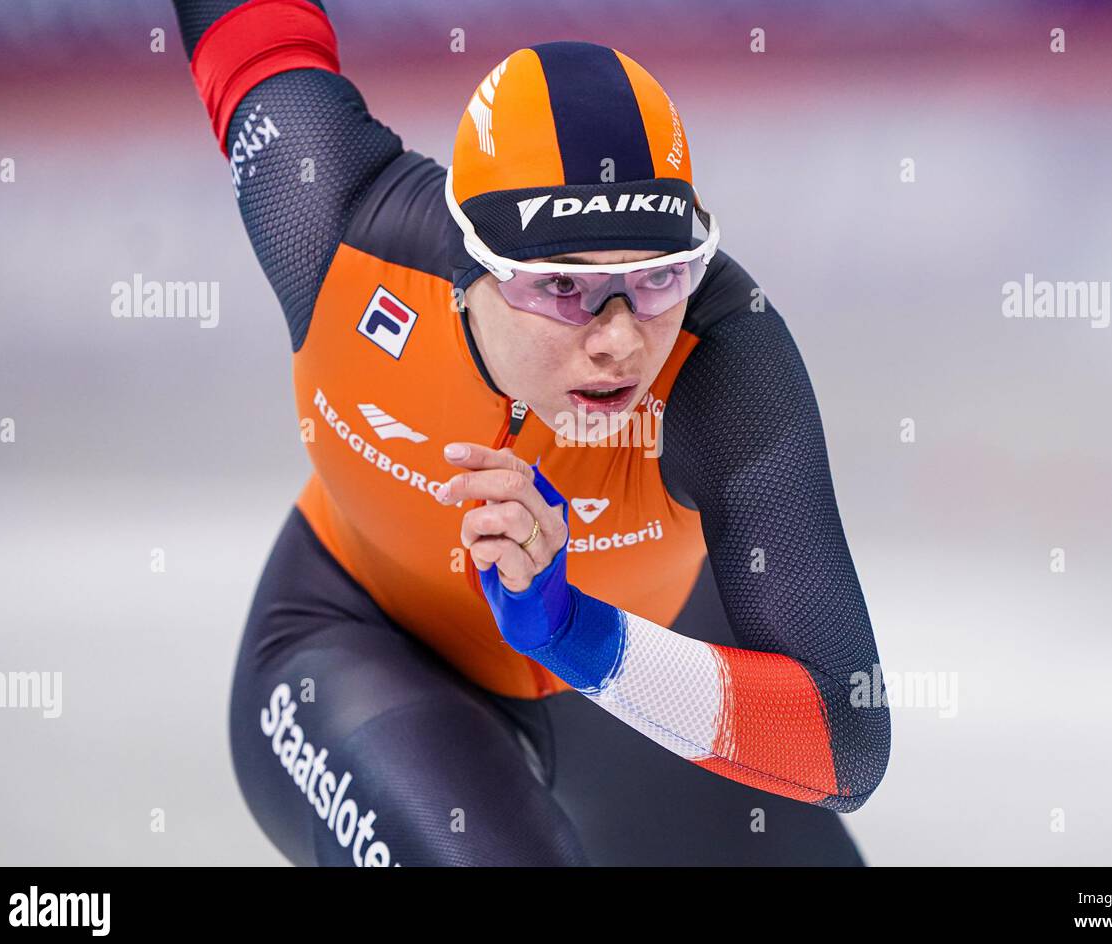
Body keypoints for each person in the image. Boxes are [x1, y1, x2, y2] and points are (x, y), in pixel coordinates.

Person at [173, 0, 891, 866]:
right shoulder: (335, 228)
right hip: (356, 650)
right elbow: (252, 31)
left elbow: (843, 744)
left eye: (660, 277)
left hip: (618, 673)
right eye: (563, 288)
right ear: (470, 264)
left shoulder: (722, 365)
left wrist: (568, 629)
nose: (622, 339)